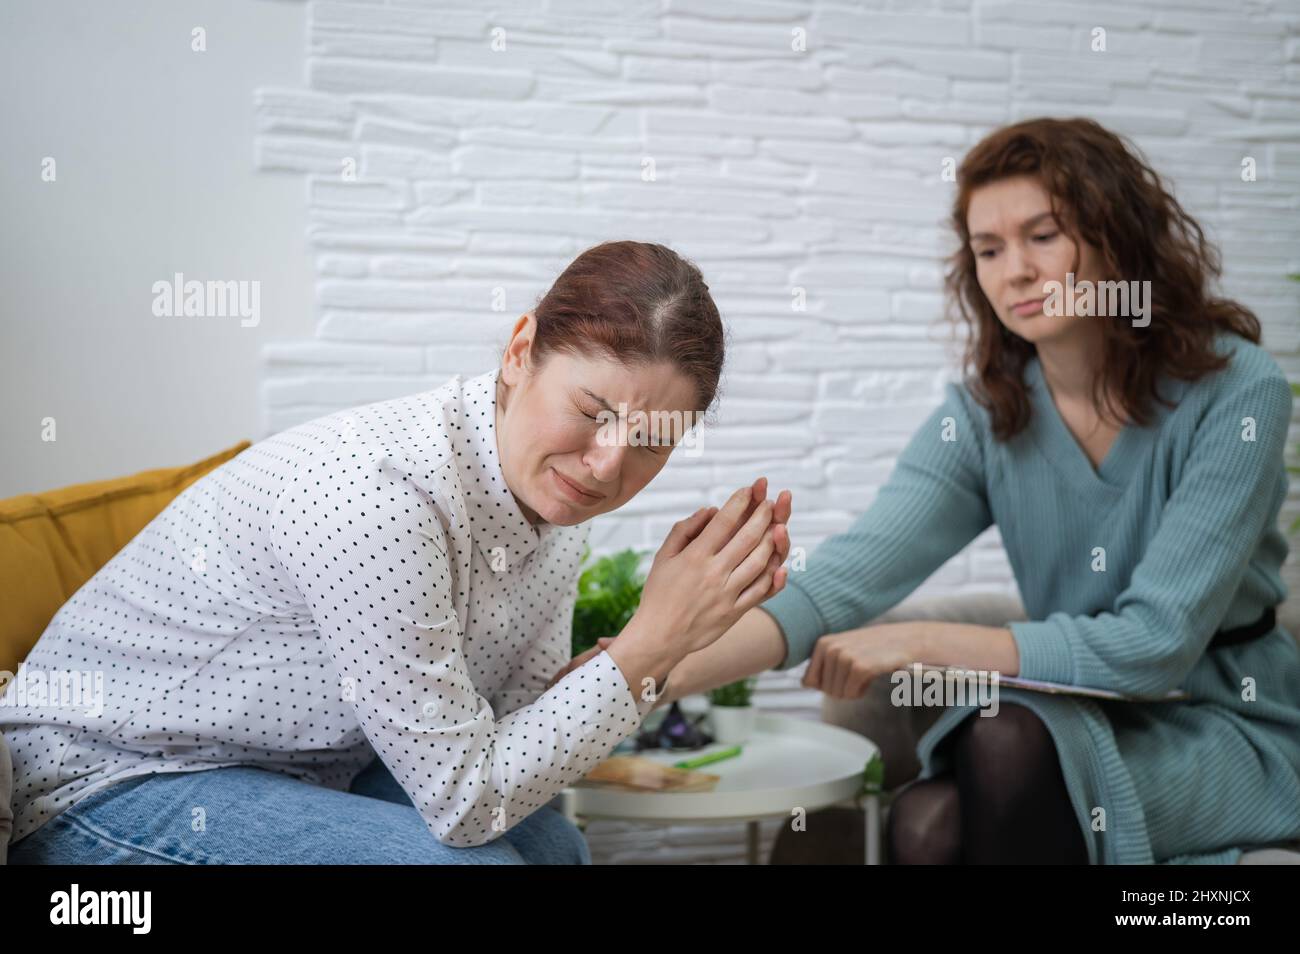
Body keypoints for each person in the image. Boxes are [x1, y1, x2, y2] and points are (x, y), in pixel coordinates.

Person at [2, 240, 793, 864]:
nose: (608, 465)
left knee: (556, 847)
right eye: (591, 412)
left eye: (652, 443)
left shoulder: (554, 505)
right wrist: (651, 646)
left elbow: (505, 732)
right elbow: (467, 799)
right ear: (521, 351)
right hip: (105, 778)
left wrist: (661, 643)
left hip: (295, 770)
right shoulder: (381, 496)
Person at [654, 118, 1300, 864]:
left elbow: (1155, 645)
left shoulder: (1236, 389)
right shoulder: (987, 417)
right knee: (933, 817)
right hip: (1081, 714)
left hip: (1223, 721)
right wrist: (643, 673)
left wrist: (920, 642)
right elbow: (837, 584)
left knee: (977, 773)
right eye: (988, 249)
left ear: (1117, 235)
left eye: (1043, 236)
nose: (1014, 271)